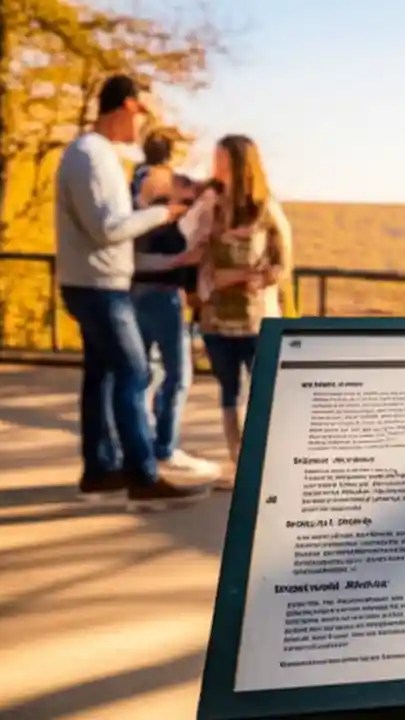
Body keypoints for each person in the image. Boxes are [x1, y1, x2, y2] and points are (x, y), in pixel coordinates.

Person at [55, 74, 210, 510]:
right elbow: (108, 229)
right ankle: (142, 473)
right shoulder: (92, 156)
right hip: (100, 286)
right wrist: (165, 213)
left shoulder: (91, 154)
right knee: (134, 372)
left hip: (92, 282)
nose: (143, 120)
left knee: (103, 375)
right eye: (142, 110)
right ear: (125, 106)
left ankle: (101, 469)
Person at [177, 135, 293, 488]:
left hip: (257, 318)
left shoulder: (265, 207)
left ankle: (272, 465)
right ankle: (241, 464)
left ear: (242, 164)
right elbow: (185, 237)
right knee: (230, 391)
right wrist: (201, 204)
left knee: (266, 392)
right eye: (216, 158)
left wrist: (258, 277)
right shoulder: (211, 202)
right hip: (216, 317)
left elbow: (282, 260)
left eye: (223, 159)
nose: (216, 166)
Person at [129, 132, 221, 481]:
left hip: (138, 289)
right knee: (177, 375)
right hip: (160, 290)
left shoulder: (135, 183)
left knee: (144, 374)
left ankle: (141, 444)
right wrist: (184, 258)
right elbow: (191, 196)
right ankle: (164, 447)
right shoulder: (159, 183)